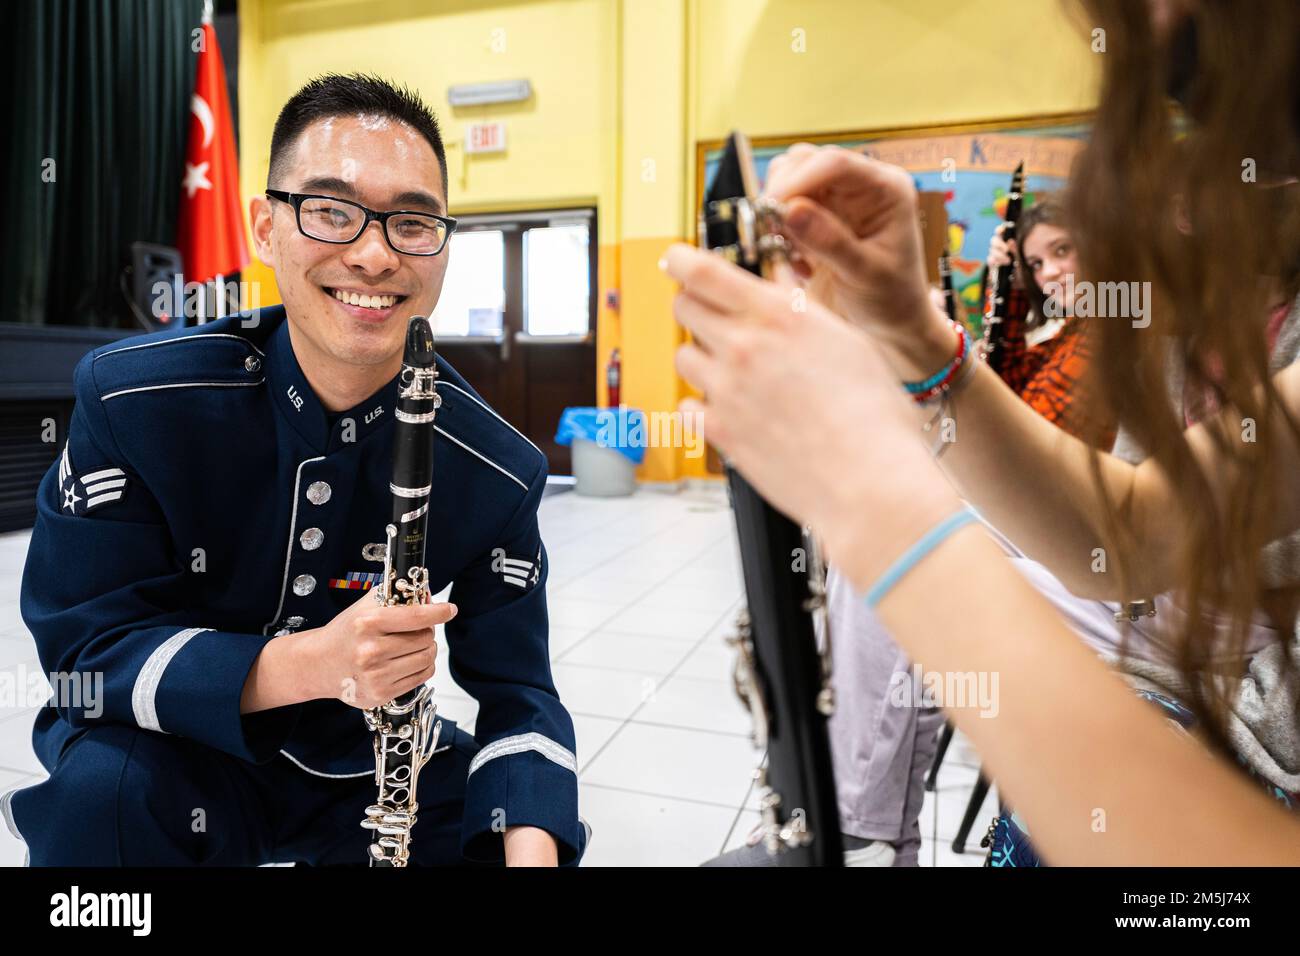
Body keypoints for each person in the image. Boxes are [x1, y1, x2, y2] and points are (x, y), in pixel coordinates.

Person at [666, 0, 1300, 864]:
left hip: (1240, 656)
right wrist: (914, 336)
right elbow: (1128, 538)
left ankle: (858, 824)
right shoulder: (1189, 328)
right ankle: (862, 829)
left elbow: (1141, 534)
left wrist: (876, 482)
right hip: (1168, 609)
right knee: (884, 569)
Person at [0, 74, 585, 867]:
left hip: (364, 769)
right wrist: (314, 664)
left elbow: (522, 697)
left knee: (494, 820)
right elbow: (82, 660)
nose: (375, 255)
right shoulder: (136, 399)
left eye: (412, 221)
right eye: (332, 211)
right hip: (179, 751)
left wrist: (530, 849)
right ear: (265, 229)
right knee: (97, 797)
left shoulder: (500, 468)